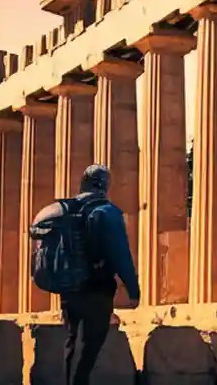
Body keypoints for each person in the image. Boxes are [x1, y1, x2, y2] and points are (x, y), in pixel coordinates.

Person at [61, 164, 139, 385]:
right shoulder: (107, 212)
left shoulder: (67, 210)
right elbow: (120, 253)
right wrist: (133, 290)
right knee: (91, 343)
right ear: (105, 186)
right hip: (96, 288)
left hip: (68, 289)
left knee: (71, 341)